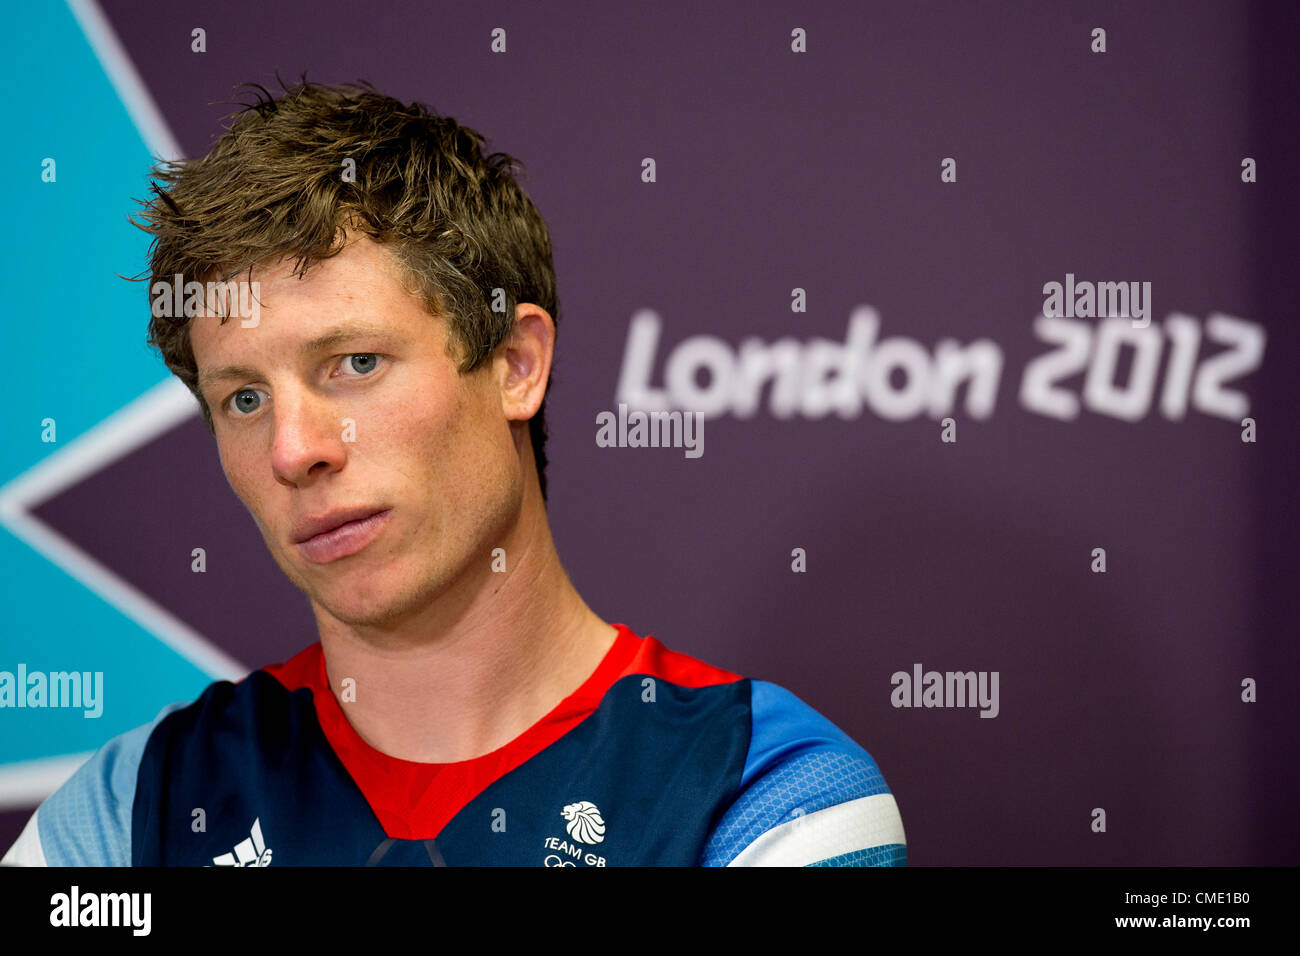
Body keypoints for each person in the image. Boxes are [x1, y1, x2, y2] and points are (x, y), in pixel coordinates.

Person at [1, 81, 905, 867]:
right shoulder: (134, 808)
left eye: (353, 363)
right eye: (242, 399)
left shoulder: (764, 791)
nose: (292, 449)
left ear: (516, 362)